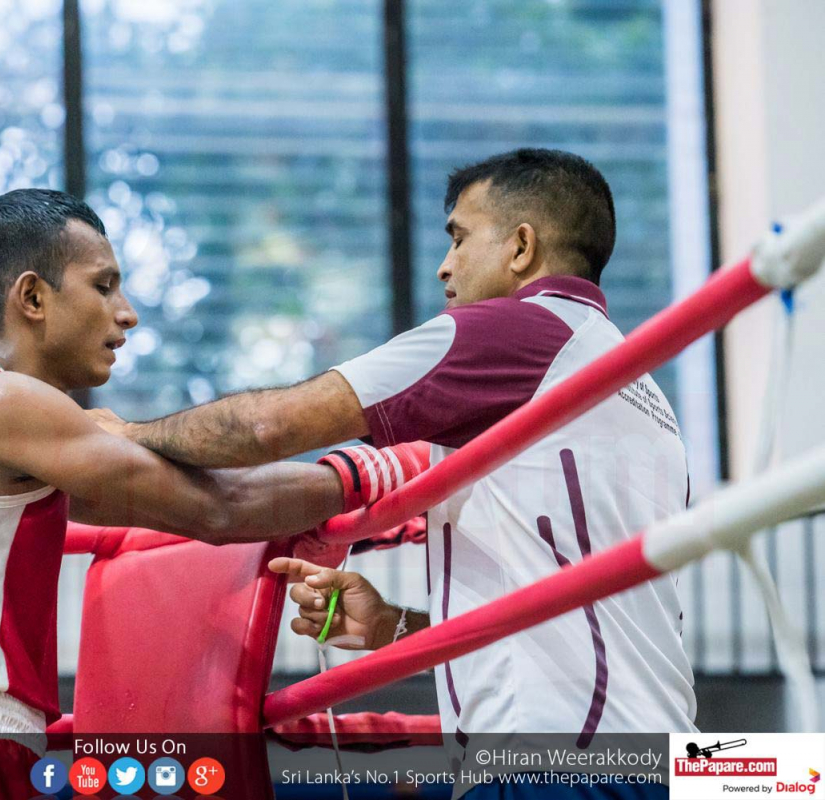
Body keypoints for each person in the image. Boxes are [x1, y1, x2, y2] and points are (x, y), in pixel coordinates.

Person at [93, 149, 696, 794]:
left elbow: (269, 428)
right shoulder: (640, 389)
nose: (444, 265)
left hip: (559, 761)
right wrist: (393, 625)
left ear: (521, 247)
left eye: (459, 238)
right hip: (667, 760)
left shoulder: (515, 334)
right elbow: (561, 614)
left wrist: (125, 436)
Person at [0, 188, 429, 800]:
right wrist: (387, 468)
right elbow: (221, 508)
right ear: (32, 297)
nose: (126, 313)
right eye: (103, 286)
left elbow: (197, 501)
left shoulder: (9, 425)